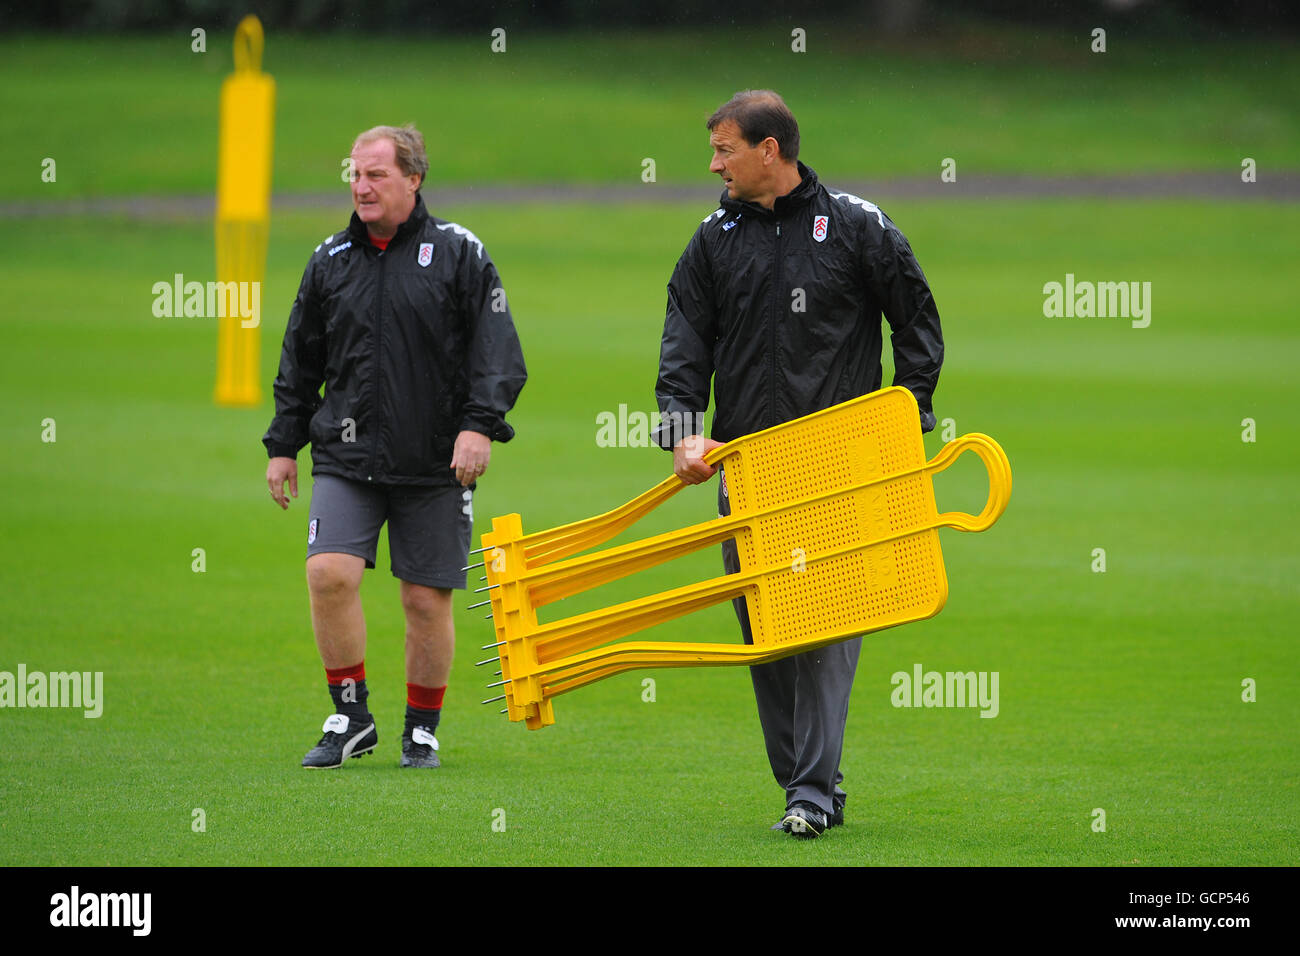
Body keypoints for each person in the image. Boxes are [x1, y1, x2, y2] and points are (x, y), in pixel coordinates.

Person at [654, 91, 943, 837]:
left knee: (823, 624)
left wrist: (908, 410)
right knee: (765, 629)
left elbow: (915, 318)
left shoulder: (854, 226)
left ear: (769, 151)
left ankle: (811, 791)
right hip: (748, 471)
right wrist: (684, 432)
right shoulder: (712, 239)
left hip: (840, 463)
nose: (714, 164)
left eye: (725, 150)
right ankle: (806, 786)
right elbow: (684, 339)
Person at [263, 124, 526, 771]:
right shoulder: (330, 260)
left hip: (437, 460)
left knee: (423, 599)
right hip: (346, 456)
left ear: (414, 178)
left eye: (376, 174)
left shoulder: (461, 253)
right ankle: (351, 716)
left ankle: (422, 729)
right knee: (328, 574)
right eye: (354, 173)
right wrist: (283, 443)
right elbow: (300, 358)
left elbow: (497, 352)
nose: (361, 185)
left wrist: (478, 425)